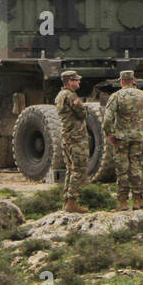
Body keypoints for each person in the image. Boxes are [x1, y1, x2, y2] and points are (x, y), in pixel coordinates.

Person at [102, 69, 143, 210]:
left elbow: (107, 119)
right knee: (137, 168)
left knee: (122, 169)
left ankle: (123, 202)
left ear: (121, 81)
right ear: (133, 80)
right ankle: (138, 200)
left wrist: (109, 134)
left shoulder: (116, 96)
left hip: (121, 138)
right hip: (139, 138)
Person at [54, 70, 90, 213]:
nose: (79, 82)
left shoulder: (60, 95)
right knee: (79, 169)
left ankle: (67, 200)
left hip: (67, 137)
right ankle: (72, 201)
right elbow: (82, 113)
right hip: (76, 137)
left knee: (70, 169)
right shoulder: (71, 96)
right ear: (70, 81)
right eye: (76, 80)